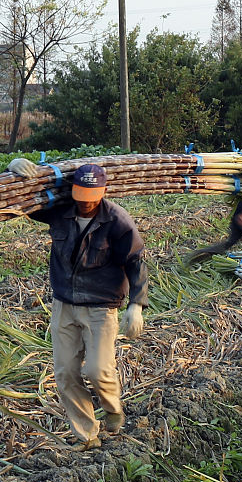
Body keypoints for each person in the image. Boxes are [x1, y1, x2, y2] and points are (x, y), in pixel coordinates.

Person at [22, 162, 148, 452]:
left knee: (97, 370)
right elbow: (24, 204)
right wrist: (18, 173)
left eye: (92, 196)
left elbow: (135, 262)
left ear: (102, 192)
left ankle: (113, 408)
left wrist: (136, 304)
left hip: (101, 306)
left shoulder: (117, 220)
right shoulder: (59, 211)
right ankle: (87, 435)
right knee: (65, 372)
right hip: (64, 303)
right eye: (80, 195)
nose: (86, 202)